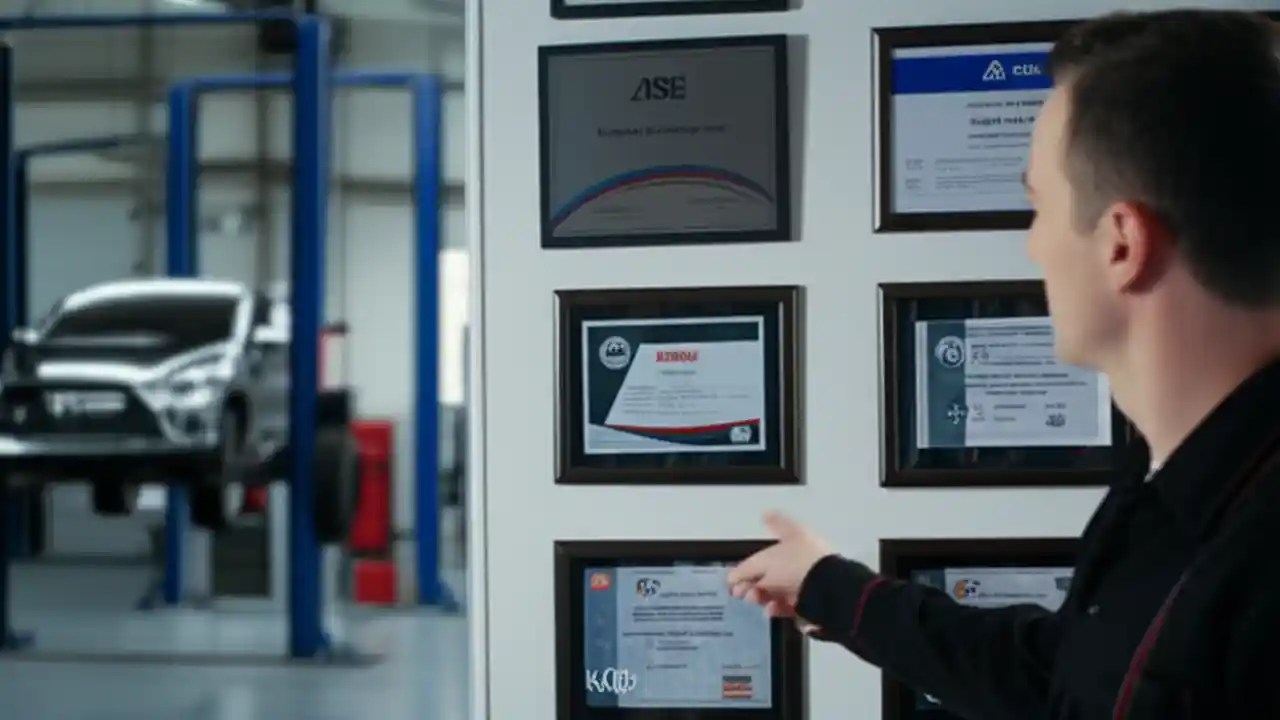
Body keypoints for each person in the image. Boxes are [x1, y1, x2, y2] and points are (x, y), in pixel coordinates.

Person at [727, 9, 1280, 720]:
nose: (1031, 249)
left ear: (1120, 243)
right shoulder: (1165, 501)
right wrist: (829, 588)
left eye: (1037, 207)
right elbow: (1070, 676)